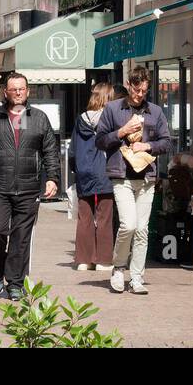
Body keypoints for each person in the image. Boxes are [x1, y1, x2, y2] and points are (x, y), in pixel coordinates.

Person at [0, 73, 60, 301]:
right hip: (0, 186)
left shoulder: (38, 118)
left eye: (22, 89)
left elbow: (50, 149)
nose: (18, 92)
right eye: (13, 89)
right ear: (6, 92)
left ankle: (16, 283)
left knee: (21, 238)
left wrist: (53, 178)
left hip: (29, 188)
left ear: (28, 92)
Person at [95, 65, 172, 295]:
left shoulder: (155, 112)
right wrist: (121, 132)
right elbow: (99, 141)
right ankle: (119, 268)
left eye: (144, 91)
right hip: (121, 175)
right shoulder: (112, 109)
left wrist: (147, 145)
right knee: (128, 224)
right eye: (136, 90)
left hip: (146, 176)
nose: (140, 95)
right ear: (129, 85)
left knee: (142, 229)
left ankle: (137, 276)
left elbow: (167, 142)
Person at [71, 82, 115, 272]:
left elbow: (73, 150)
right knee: (104, 216)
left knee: (84, 217)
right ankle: (103, 260)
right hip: (104, 171)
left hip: (83, 171)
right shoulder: (110, 120)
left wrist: (77, 168)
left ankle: (83, 260)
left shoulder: (80, 120)